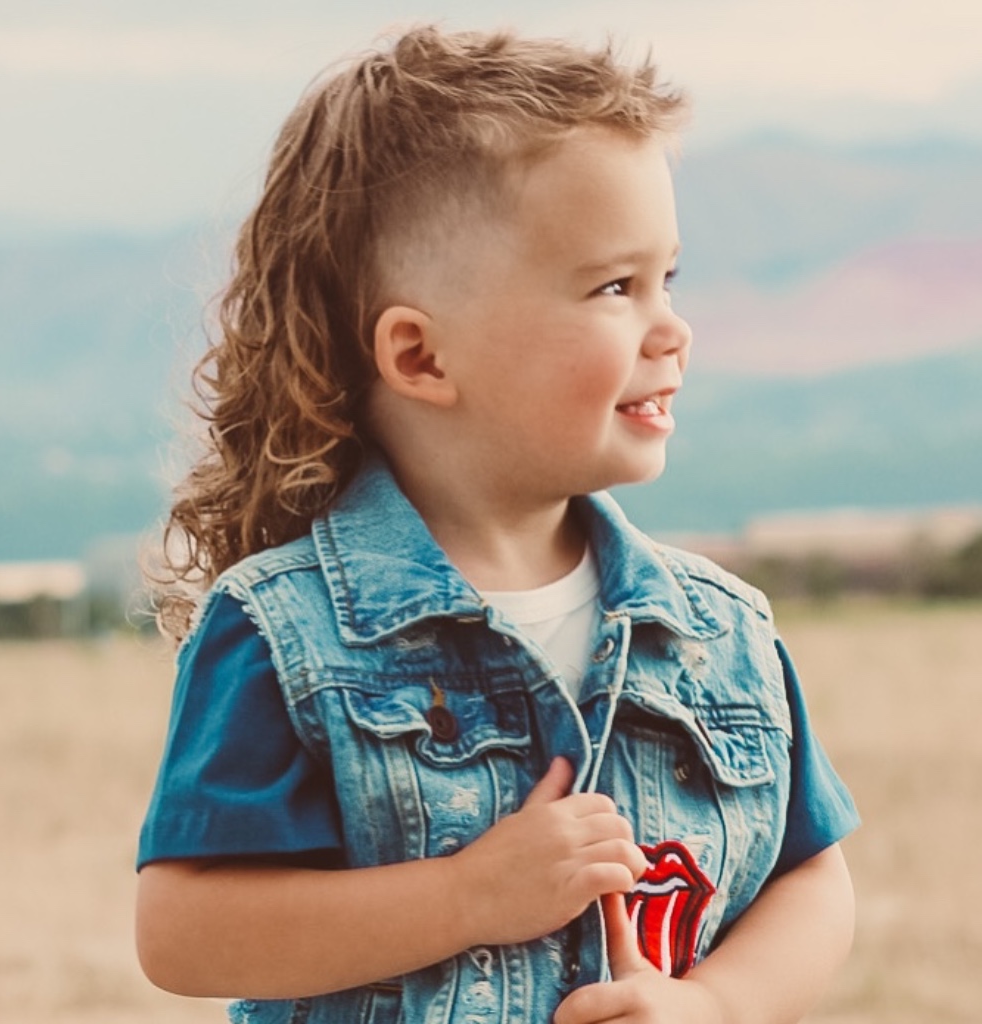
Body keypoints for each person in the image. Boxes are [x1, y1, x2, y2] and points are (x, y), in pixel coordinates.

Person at [135, 25, 859, 1024]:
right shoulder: (284, 631)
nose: (671, 328)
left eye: (667, 280)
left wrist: (714, 1003)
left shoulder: (719, 631)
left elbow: (812, 880)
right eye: (614, 286)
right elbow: (186, 930)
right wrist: (468, 895)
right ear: (422, 357)